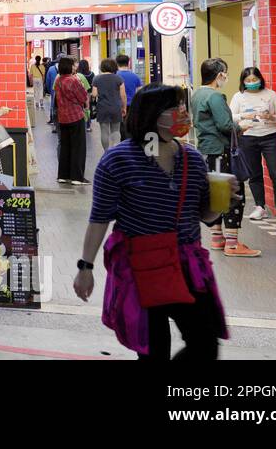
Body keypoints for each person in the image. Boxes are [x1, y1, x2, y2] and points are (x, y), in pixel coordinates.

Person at [73, 85, 234, 360]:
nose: (184, 114)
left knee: (205, 343)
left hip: (186, 265)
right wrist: (85, 267)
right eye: (176, 108)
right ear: (153, 115)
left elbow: (205, 216)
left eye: (184, 107)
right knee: (152, 349)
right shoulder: (118, 161)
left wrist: (223, 203)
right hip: (140, 267)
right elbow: (99, 218)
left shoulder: (192, 159)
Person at [190, 58, 259, 257]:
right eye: (225, 73)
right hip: (220, 149)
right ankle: (232, 244)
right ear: (219, 74)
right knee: (232, 193)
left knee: (217, 194)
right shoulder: (215, 97)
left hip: (207, 150)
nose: (226, 77)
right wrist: (242, 127)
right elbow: (225, 125)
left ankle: (217, 238)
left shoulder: (197, 94)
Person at [230, 67, 276, 225]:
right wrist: (245, 115)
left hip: (270, 137)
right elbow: (231, 116)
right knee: (254, 174)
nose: (252, 83)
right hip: (248, 138)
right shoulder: (239, 97)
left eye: (254, 80)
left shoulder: (270, 94)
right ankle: (260, 207)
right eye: (248, 81)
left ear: (260, 79)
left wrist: (271, 117)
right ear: (243, 82)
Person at [54, 57, 89, 186]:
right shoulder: (74, 80)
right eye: (74, 65)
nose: (75, 67)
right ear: (69, 66)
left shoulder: (58, 80)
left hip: (62, 117)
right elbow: (83, 97)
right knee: (78, 147)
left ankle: (63, 175)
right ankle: (77, 177)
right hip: (75, 116)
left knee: (65, 146)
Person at [92, 59, 127, 152]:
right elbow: (123, 95)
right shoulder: (118, 78)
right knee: (116, 130)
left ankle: (106, 152)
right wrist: (124, 108)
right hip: (116, 107)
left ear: (102, 67)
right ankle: (115, 151)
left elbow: (94, 94)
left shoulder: (96, 78)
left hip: (102, 107)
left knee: (104, 131)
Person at [116, 54, 142, 140]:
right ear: (128, 63)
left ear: (117, 63)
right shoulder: (135, 76)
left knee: (118, 128)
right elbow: (139, 92)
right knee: (130, 126)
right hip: (131, 105)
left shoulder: (115, 76)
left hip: (118, 105)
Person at [44, 55, 61, 129]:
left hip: (53, 89)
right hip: (63, 90)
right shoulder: (67, 68)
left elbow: (47, 81)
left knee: (53, 104)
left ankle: (53, 119)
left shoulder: (51, 69)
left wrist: (49, 90)